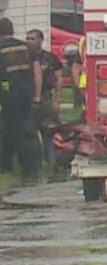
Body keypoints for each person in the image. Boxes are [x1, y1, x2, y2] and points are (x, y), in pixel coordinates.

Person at [0, 19, 39, 182]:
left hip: (8, 96)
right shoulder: (26, 47)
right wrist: (36, 95)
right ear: (12, 30)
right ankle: (29, 168)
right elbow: (37, 71)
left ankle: (6, 166)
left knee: (7, 132)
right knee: (26, 131)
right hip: (26, 95)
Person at [24, 30, 62, 171]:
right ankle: (34, 166)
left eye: (32, 38)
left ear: (41, 40)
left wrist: (58, 100)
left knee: (49, 132)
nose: (29, 41)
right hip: (28, 97)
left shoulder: (50, 58)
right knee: (30, 133)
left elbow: (59, 79)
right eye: (27, 38)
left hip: (46, 97)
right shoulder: (24, 57)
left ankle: (52, 164)